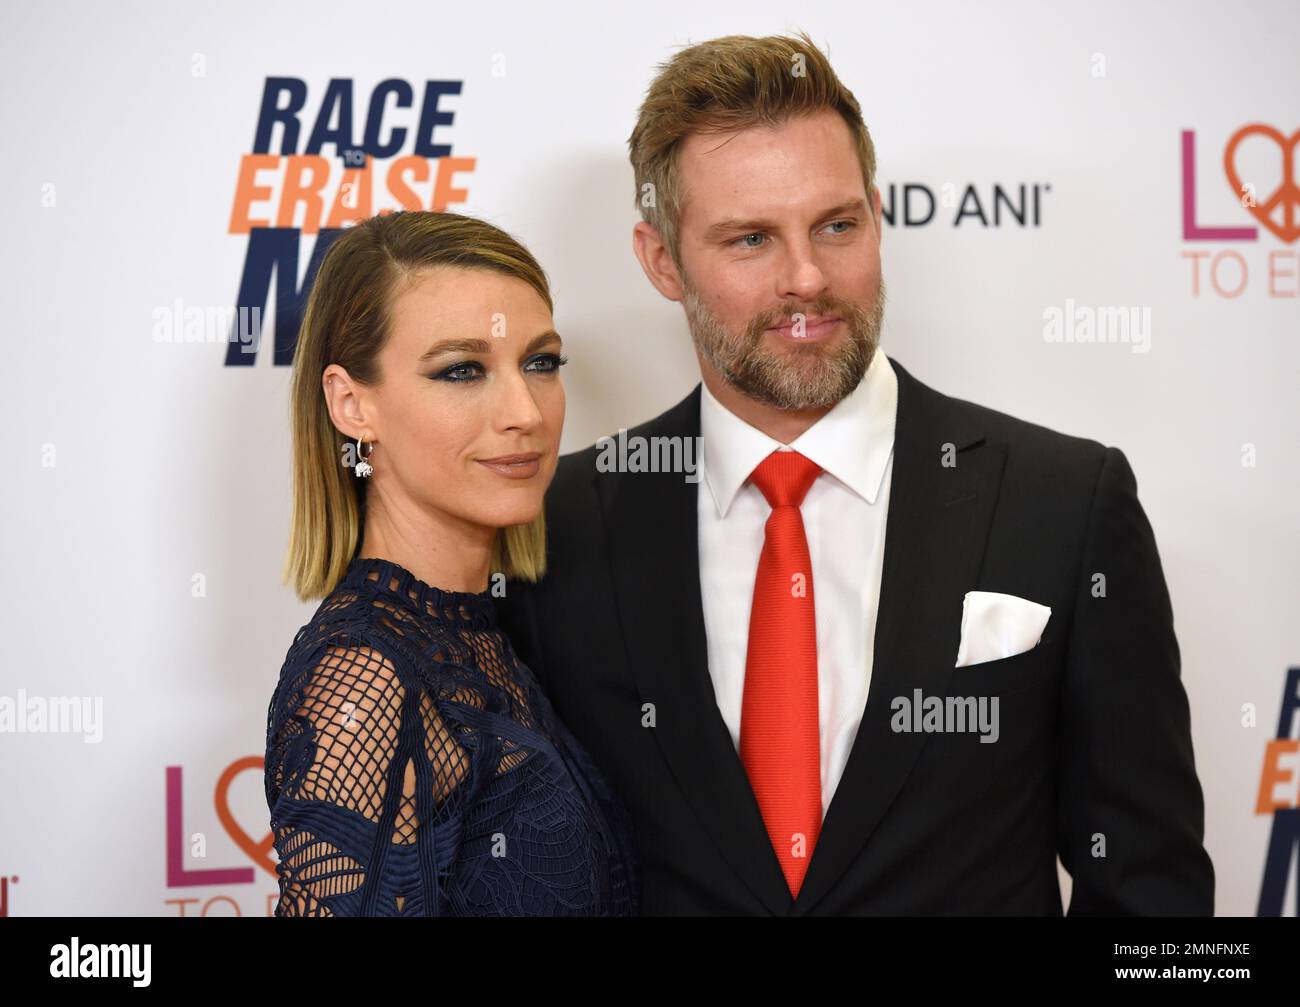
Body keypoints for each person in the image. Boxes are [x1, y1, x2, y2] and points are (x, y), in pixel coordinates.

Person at [494, 31, 1215, 915]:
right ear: (661, 261)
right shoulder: (558, 524)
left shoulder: (1062, 503)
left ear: (877, 213)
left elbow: (1156, 898)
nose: (808, 277)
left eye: (838, 225)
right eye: (751, 239)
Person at [264, 210, 638, 916]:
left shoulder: (481, 634)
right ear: (352, 404)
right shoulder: (366, 679)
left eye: (541, 362)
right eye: (462, 370)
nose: (525, 409)